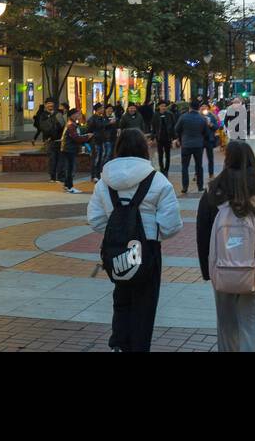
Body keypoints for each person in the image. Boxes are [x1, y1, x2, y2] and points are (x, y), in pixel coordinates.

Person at [87, 128, 182, 351]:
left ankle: (119, 345)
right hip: (147, 249)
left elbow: (95, 219)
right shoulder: (157, 180)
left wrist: (117, 230)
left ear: (118, 148)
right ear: (144, 148)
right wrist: (151, 231)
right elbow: (171, 225)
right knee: (144, 305)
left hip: (117, 249)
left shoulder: (104, 182)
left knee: (121, 299)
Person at [196, 140, 255, 352]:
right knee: (252, 331)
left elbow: (203, 236)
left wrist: (208, 272)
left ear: (227, 160)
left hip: (222, 271)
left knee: (227, 330)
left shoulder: (212, 193)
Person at [175, 98, 211, 194]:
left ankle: (185, 187)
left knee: (185, 166)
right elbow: (206, 133)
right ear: (198, 108)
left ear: (189, 107)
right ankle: (200, 186)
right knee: (199, 166)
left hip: (186, 145)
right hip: (198, 145)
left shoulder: (183, 117)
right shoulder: (202, 119)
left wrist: (180, 137)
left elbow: (177, 129)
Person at [59, 109, 90, 193]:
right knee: (70, 169)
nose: (79, 115)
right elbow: (76, 138)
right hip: (69, 149)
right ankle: (70, 187)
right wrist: (87, 137)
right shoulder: (71, 125)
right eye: (77, 114)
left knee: (69, 168)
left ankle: (67, 186)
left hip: (68, 148)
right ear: (72, 115)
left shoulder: (72, 124)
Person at [36, 99, 65, 182]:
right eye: (48, 103)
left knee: (60, 159)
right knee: (52, 159)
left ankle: (60, 177)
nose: (50, 105)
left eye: (51, 103)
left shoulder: (58, 114)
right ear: (45, 105)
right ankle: (52, 177)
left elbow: (62, 125)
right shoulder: (43, 115)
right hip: (50, 141)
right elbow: (44, 127)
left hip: (59, 140)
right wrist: (53, 122)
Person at [86, 102, 112, 182]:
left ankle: (98, 175)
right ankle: (94, 176)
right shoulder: (93, 119)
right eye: (101, 108)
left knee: (100, 158)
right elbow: (90, 129)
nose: (103, 110)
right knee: (96, 159)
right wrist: (108, 124)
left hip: (101, 140)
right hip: (95, 141)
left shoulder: (101, 118)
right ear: (97, 109)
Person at [152, 100, 176, 176]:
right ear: (159, 107)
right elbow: (153, 126)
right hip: (159, 138)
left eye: (165, 106)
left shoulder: (170, 114)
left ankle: (166, 169)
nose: (163, 107)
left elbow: (173, 126)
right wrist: (153, 137)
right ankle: (162, 169)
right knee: (160, 154)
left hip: (168, 138)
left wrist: (174, 137)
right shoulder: (156, 115)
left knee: (168, 154)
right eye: (162, 106)